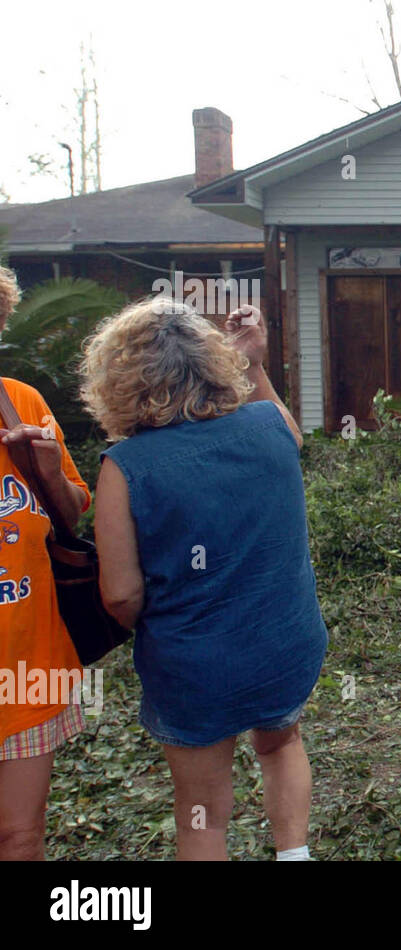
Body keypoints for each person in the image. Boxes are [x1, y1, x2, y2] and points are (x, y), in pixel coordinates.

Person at [86, 299, 328, 861]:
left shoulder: (125, 467)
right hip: (286, 643)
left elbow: (120, 594)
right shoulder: (270, 426)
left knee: (203, 816)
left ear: (117, 380)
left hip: (195, 666)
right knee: (281, 743)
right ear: (213, 361)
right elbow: (293, 439)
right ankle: (294, 856)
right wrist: (256, 365)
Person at [0, 265, 91, 861]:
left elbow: (74, 515)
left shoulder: (19, 403)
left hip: (29, 666)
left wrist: (52, 470)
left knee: (21, 837)